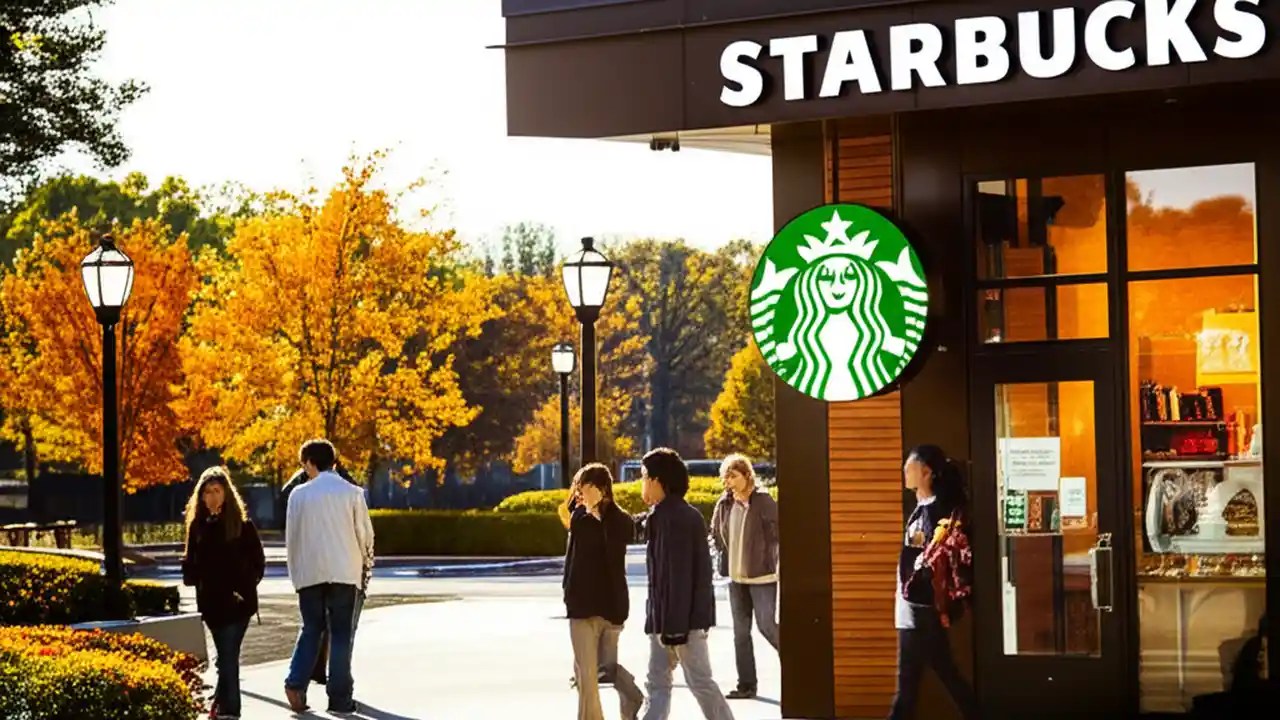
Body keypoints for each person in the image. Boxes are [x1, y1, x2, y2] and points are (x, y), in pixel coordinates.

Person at [638, 448, 734, 720]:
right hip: (665, 620)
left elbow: (679, 577)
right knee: (658, 683)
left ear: (658, 480)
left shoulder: (676, 519)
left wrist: (674, 628)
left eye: (644, 477)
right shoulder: (662, 515)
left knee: (698, 682)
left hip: (681, 623)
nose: (642, 483)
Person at [284, 439, 375, 715]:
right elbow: (365, 534)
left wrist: (296, 575)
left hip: (310, 573)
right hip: (345, 572)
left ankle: (295, 683)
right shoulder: (352, 493)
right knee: (341, 634)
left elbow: (292, 539)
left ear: (310, 462)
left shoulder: (298, 495)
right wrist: (366, 565)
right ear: (333, 462)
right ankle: (339, 698)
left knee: (311, 628)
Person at [889, 445, 979, 720]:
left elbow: (930, 562)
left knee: (909, 686)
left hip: (920, 609)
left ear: (926, 472)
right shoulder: (921, 508)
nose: (905, 471)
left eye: (910, 466)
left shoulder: (937, 514)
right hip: (914, 607)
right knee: (942, 674)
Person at [181, 467, 266, 720]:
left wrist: (244, 587)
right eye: (207, 492)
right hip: (211, 604)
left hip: (238, 603)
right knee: (225, 656)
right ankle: (220, 704)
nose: (212, 497)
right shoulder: (198, 527)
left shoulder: (242, 526)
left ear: (227, 493)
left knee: (227, 655)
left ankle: (230, 709)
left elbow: (258, 563)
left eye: (217, 491)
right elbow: (192, 566)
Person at [563, 463, 645, 720]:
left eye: (586, 487)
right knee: (586, 677)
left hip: (610, 605)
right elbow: (576, 558)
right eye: (579, 488)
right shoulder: (579, 518)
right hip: (581, 607)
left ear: (602, 489)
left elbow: (616, 547)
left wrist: (598, 517)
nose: (581, 493)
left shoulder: (619, 520)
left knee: (606, 669)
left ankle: (632, 696)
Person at [710, 454, 780, 700]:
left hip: (762, 576)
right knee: (741, 633)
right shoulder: (724, 504)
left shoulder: (763, 501)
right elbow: (716, 534)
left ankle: (797, 665)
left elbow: (779, 532)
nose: (728, 481)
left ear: (747, 475)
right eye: (726, 476)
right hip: (736, 578)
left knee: (767, 626)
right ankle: (746, 685)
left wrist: (771, 556)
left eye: (733, 476)